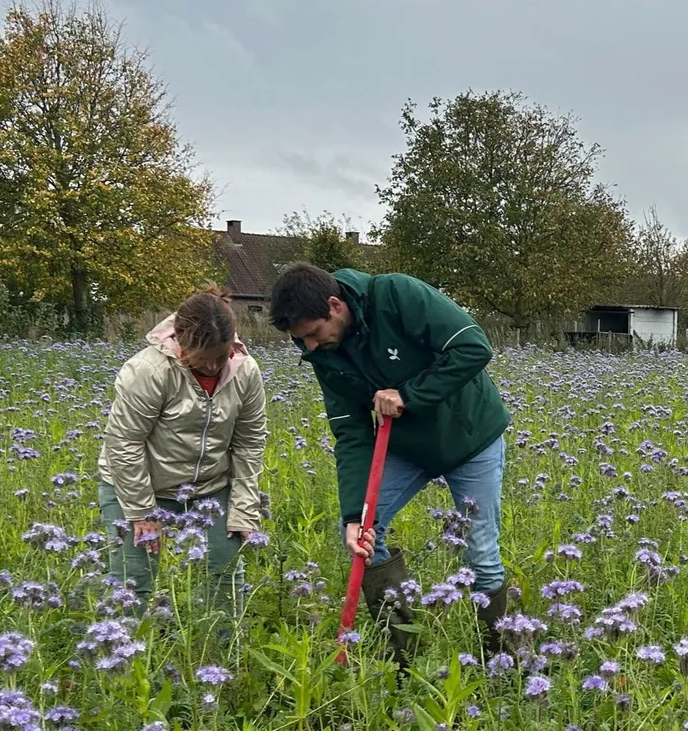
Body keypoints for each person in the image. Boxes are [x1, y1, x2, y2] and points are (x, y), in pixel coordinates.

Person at [267, 261, 511, 663]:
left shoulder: (398, 295)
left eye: (312, 333)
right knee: (364, 535)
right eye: (301, 339)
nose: (309, 346)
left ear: (335, 304)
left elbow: (474, 348)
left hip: (470, 437)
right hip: (403, 447)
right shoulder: (322, 353)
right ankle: (404, 657)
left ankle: (503, 660)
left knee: (481, 554)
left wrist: (408, 395)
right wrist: (352, 514)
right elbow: (350, 433)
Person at [96, 288, 268, 626]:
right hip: (140, 489)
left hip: (209, 490)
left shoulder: (246, 372)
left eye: (222, 356)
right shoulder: (149, 371)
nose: (215, 366)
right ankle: (121, 666)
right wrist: (142, 513)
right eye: (204, 358)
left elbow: (249, 443)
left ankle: (222, 658)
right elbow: (125, 443)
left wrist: (243, 510)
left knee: (225, 572)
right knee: (133, 580)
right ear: (182, 343)